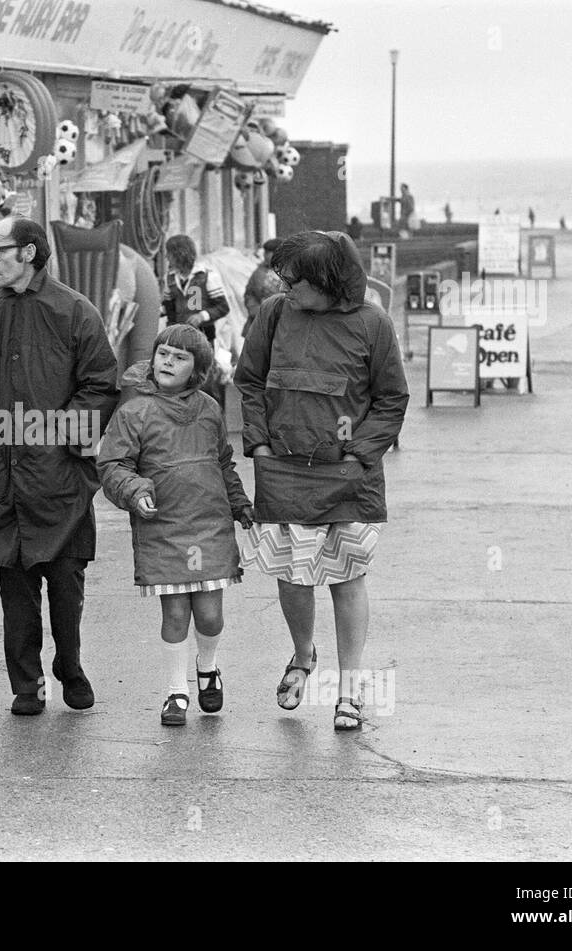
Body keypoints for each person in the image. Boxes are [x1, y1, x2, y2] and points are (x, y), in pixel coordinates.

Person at [234, 230, 408, 731]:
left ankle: (349, 691)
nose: (284, 287)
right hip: (283, 470)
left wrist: (359, 454)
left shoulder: (373, 324)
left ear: (328, 282)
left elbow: (391, 399)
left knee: (347, 579)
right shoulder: (273, 313)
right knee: (293, 578)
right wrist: (260, 445)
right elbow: (247, 381)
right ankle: (302, 654)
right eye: (282, 279)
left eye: (295, 281)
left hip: (348, 475)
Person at [0, 216, 119, 716]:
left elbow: (101, 383)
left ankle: (70, 664)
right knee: (16, 588)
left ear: (27, 252)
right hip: (3, 479)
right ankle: (26, 684)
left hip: (61, 477)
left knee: (66, 583)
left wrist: (59, 435)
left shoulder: (74, 311)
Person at [99, 325, 252, 726]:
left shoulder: (209, 408)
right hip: (163, 527)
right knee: (175, 617)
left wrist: (239, 503)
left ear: (198, 368)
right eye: (163, 353)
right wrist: (134, 490)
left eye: (180, 357)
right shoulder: (133, 412)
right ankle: (176, 692)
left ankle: (208, 668)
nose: (168, 361)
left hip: (210, 524)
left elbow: (223, 462)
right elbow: (113, 465)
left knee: (210, 615)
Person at [161, 234, 230, 408]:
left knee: (205, 382)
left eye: (168, 253)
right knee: (181, 382)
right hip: (180, 339)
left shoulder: (207, 275)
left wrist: (202, 316)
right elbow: (169, 309)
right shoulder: (169, 279)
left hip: (204, 338)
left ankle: (215, 421)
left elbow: (223, 307)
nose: (166, 257)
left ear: (179, 253)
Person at [243, 237, 285, 338]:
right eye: (265, 252)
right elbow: (249, 294)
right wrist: (256, 310)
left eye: (268, 253)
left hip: (282, 321)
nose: (265, 256)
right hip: (260, 320)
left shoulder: (289, 271)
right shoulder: (259, 272)